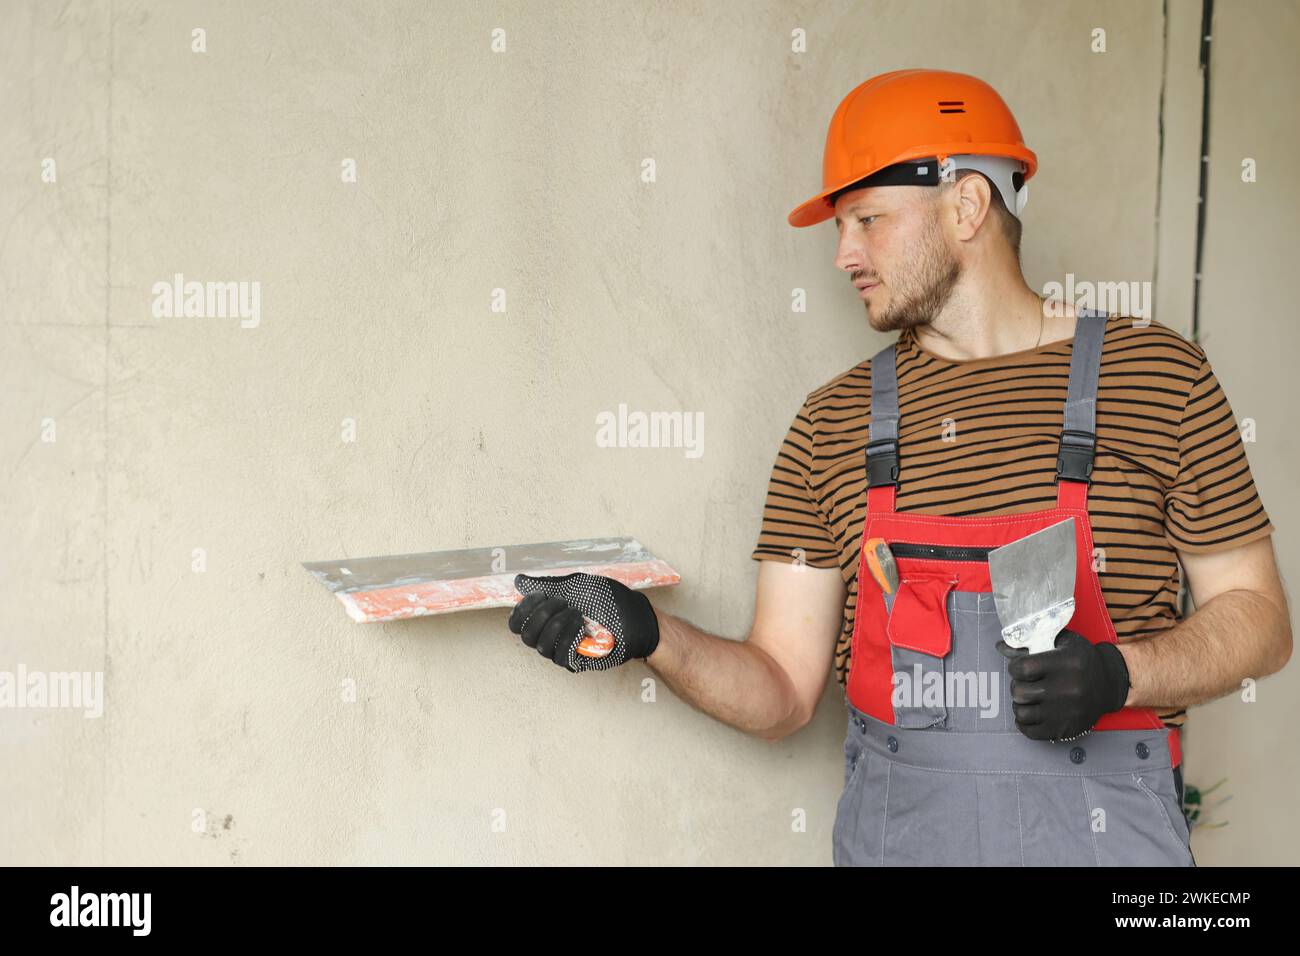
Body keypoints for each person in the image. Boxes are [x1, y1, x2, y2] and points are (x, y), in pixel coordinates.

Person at [506, 69, 1291, 866]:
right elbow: (781, 691)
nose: (845, 254)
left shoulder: (1155, 376)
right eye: (841, 228)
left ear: (967, 206)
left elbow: (1258, 620)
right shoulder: (831, 424)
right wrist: (650, 634)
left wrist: (1122, 675)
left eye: (869, 220)